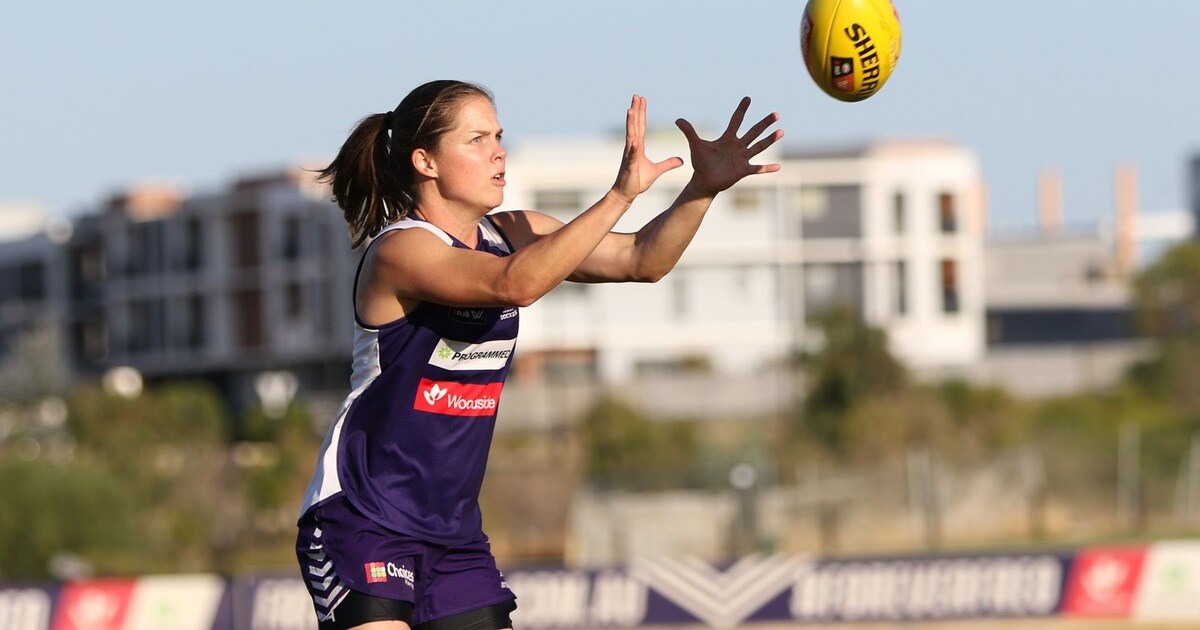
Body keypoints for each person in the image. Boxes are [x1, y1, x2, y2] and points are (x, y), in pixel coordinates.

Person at [296, 79, 782, 630]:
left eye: (499, 136)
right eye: (477, 139)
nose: (498, 151)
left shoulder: (513, 232)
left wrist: (702, 188)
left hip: (453, 538)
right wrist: (619, 194)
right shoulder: (401, 249)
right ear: (425, 162)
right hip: (364, 520)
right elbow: (515, 284)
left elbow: (643, 259)